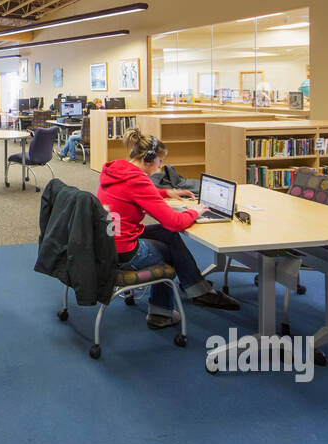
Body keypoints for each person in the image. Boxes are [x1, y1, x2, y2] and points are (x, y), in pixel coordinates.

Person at [97, 128, 239, 327]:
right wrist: (196, 211)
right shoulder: (138, 181)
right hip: (124, 252)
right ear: (149, 159)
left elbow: (134, 193)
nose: (161, 166)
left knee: (167, 235)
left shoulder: (116, 170)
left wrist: (165, 193)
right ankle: (160, 313)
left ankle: (199, 290)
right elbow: (175, 221)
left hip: (108, 241)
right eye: (160, 161)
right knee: (167, 250)